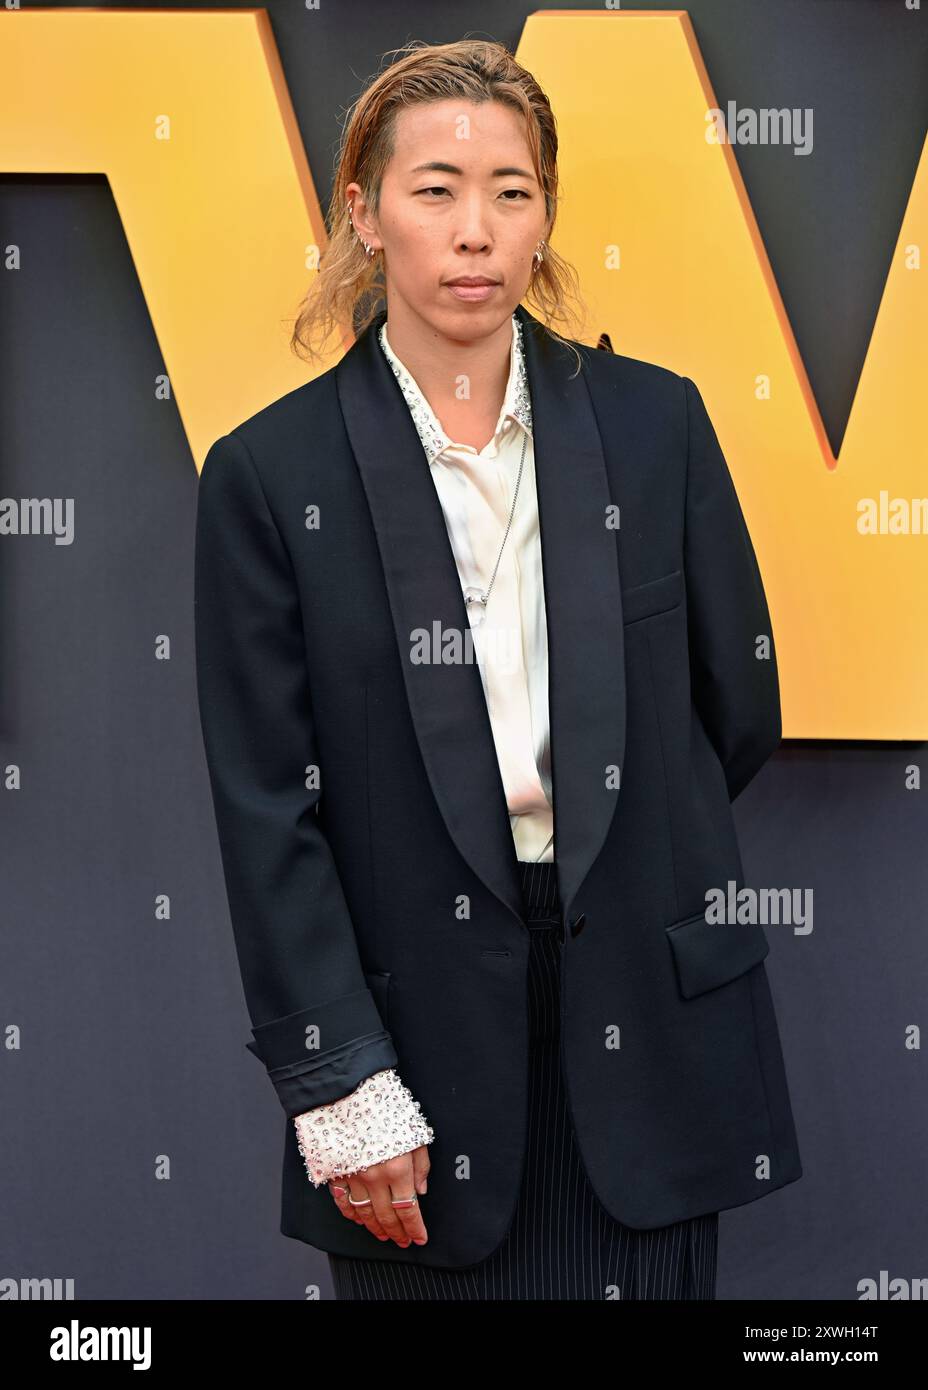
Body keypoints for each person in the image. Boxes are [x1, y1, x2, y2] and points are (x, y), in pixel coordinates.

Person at [194, 38, 802, 1301]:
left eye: (510, 192)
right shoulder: (270, 477)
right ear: (362, 214)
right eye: (435, 190)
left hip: (649, 1018)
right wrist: (342, 1081)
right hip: (415, 1065)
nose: (475, 230)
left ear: (544, 218)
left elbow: (733, 710)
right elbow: (268, 813)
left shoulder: (655, 425)